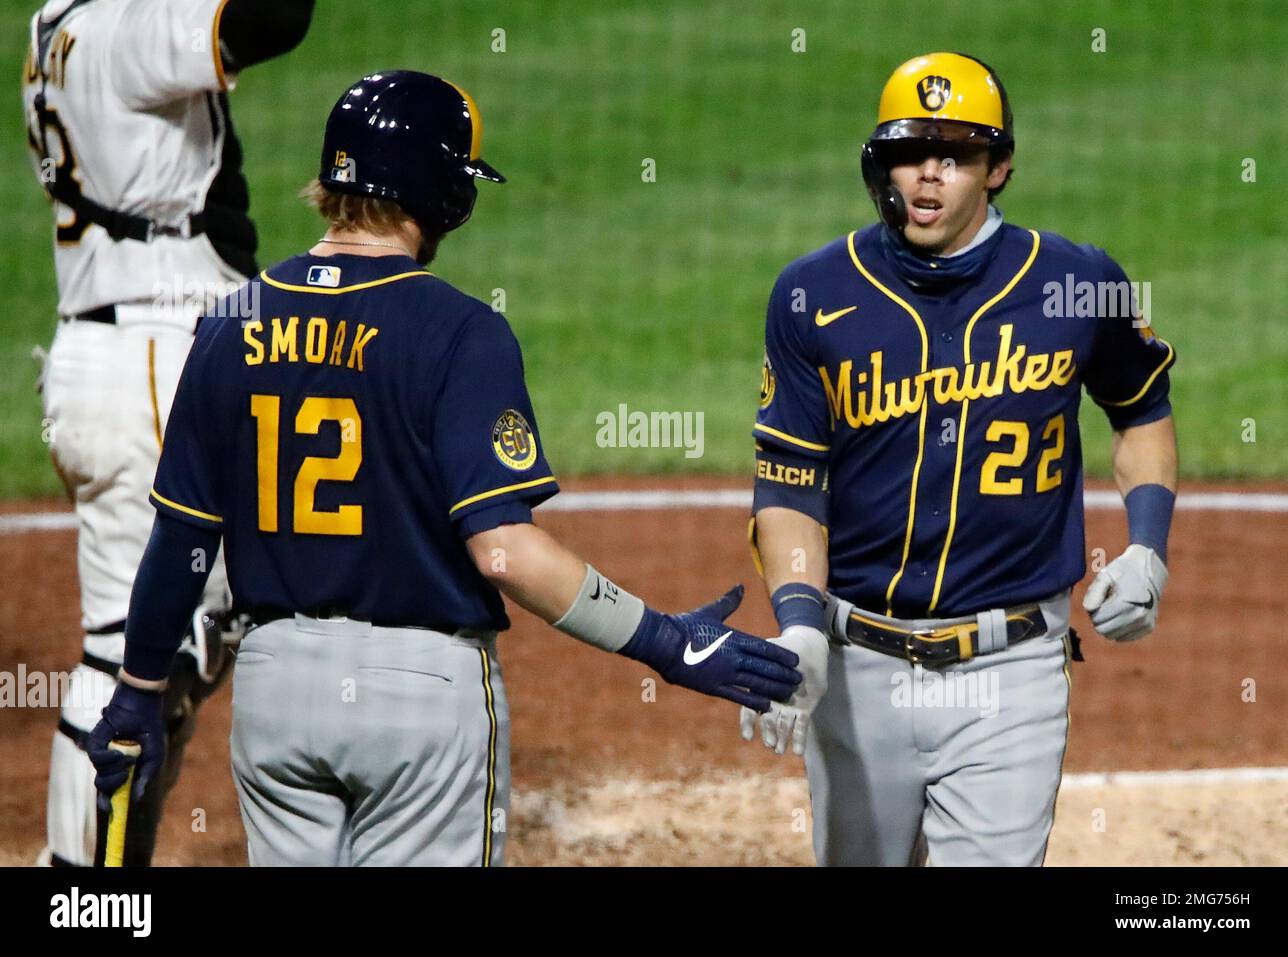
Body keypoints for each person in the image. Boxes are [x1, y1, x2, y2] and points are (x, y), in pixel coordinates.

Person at [86, 71, 802, 867]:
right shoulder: (460, 331)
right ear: (437, 189)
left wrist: (139, 690)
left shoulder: (230, 322)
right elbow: (503, 551)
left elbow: (183, 537)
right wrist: (666, 642)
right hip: (418, 698)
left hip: (274, 693)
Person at [741, 52, 1177, 866]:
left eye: (956, 155)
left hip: (1012, 672)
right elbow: (791, 482)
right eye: (910, 153)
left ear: (998, 167)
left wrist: (1147, 546)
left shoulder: (1077, 283)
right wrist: (798, 627)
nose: (928, 175)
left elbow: (1141, 408)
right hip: (857, 666)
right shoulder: (812, 293)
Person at [22, 0, 314, 866]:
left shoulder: (57, 22)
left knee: (173, 643)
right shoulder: (128, 25)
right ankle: (86, 892)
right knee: (134, 655)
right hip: (150, 358)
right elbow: (275, 17)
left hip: (115, 351)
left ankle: (95, 869)